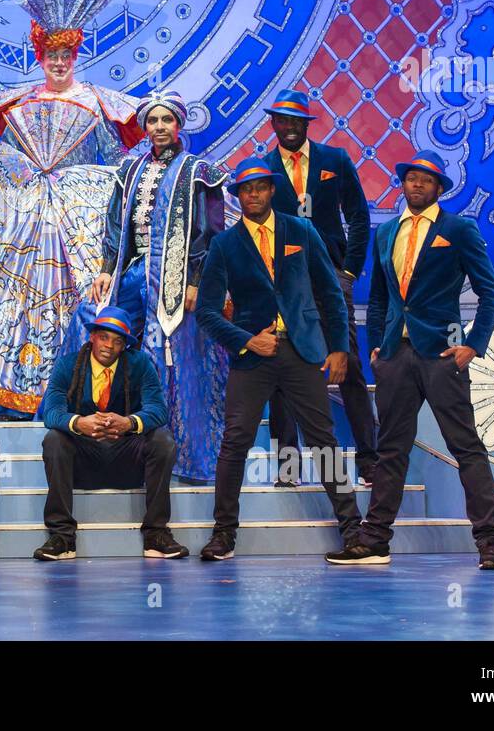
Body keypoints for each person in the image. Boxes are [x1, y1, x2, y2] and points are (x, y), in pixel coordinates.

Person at [0, 0, 140, 420]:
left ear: (76, 55)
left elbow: (115, 168)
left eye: (65, 54)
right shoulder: (21, 104)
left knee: (79, 299)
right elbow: (9, 166)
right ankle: (16, 391)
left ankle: (77, 392)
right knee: (18, 303)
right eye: (51, 54)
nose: (58, 62)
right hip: (28, 221)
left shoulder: (96, 103)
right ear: (40, 56)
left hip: (82, 224)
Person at [327, 151, 494, 569]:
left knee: (466, 447)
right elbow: (380, 297)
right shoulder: (386, 232)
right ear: (403, 184)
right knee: (391, 449)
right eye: (411, 178)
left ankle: (489, 543)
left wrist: (473, 345)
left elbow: (490, 291)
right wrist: (379, 347)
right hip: (396, 356)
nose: (417, 185)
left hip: (442, 353)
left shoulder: (458, 230)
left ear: (439, 188)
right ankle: (374, 540)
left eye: (427, 180)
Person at [194, 162, 361, 561]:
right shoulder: (225, 244)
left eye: (260, 188)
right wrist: (247, 340)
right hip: (253, 355)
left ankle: (353, 531)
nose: (253, 195)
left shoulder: (301, 230)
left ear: (272, 191)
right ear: (237, 195)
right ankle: (223, 534)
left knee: (323, 441)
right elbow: (207, 312)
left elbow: (331, 293)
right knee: (235, 442)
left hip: (302, 350)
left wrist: (339, 348)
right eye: (246, 189)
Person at [75, 91, 230, 482]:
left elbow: (210, 232)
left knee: (174, 351)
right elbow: (115, 225)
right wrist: (108, 267)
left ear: (179, 124)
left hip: (177, 275)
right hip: (135, 268)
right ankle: (97, 431)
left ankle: (183, 455)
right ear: (144, 127)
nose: (159, 127)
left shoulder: (198, 170)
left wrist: (196, 280)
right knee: (92, 318)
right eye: (153, 121)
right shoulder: (130, 169)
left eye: (166, 120)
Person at [260, 89, 377, 488]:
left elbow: (359, 217)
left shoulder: (335, 160)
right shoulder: (264, 166)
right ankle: (287, 467)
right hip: (285, 284)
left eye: (296, 121)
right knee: (282, 370)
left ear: (307, 124)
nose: (289, 127)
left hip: (332, 279)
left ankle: (370, 462)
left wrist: (348, 272)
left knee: (349, 368)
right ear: (272, 123)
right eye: (282, 120)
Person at [34, 306, 187, 561]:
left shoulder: (139, 364)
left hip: (126, 455)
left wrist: (129, 423)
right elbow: (50, 412)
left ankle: (156, 534)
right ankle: (62, 537)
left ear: (124, 346)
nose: (109, 346)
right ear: (92, 337)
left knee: (163, 441)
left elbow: (159, 410)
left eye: (117, 341)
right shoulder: (68, 364)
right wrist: (78, 423)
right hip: (84, 458)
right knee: (54, 440)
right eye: (104, 337)